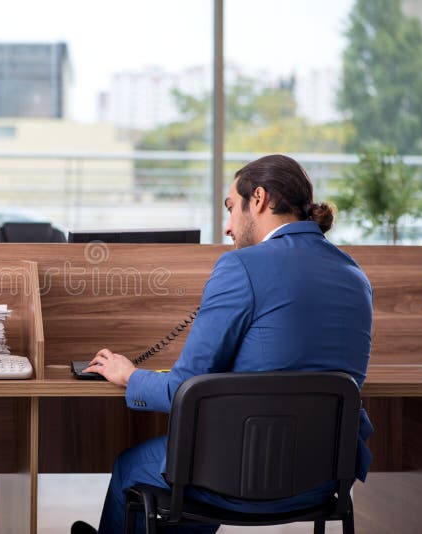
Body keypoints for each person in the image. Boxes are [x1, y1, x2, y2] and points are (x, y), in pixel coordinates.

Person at [73, 154, 373, 534]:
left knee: (137, 467)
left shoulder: (241, 266)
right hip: (323, 477)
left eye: (232, 208)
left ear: (259, 199)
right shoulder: (355, 275)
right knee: (200, 459)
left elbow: (183, 387)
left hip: (236, 477)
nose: (228, 227)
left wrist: (129, 374)